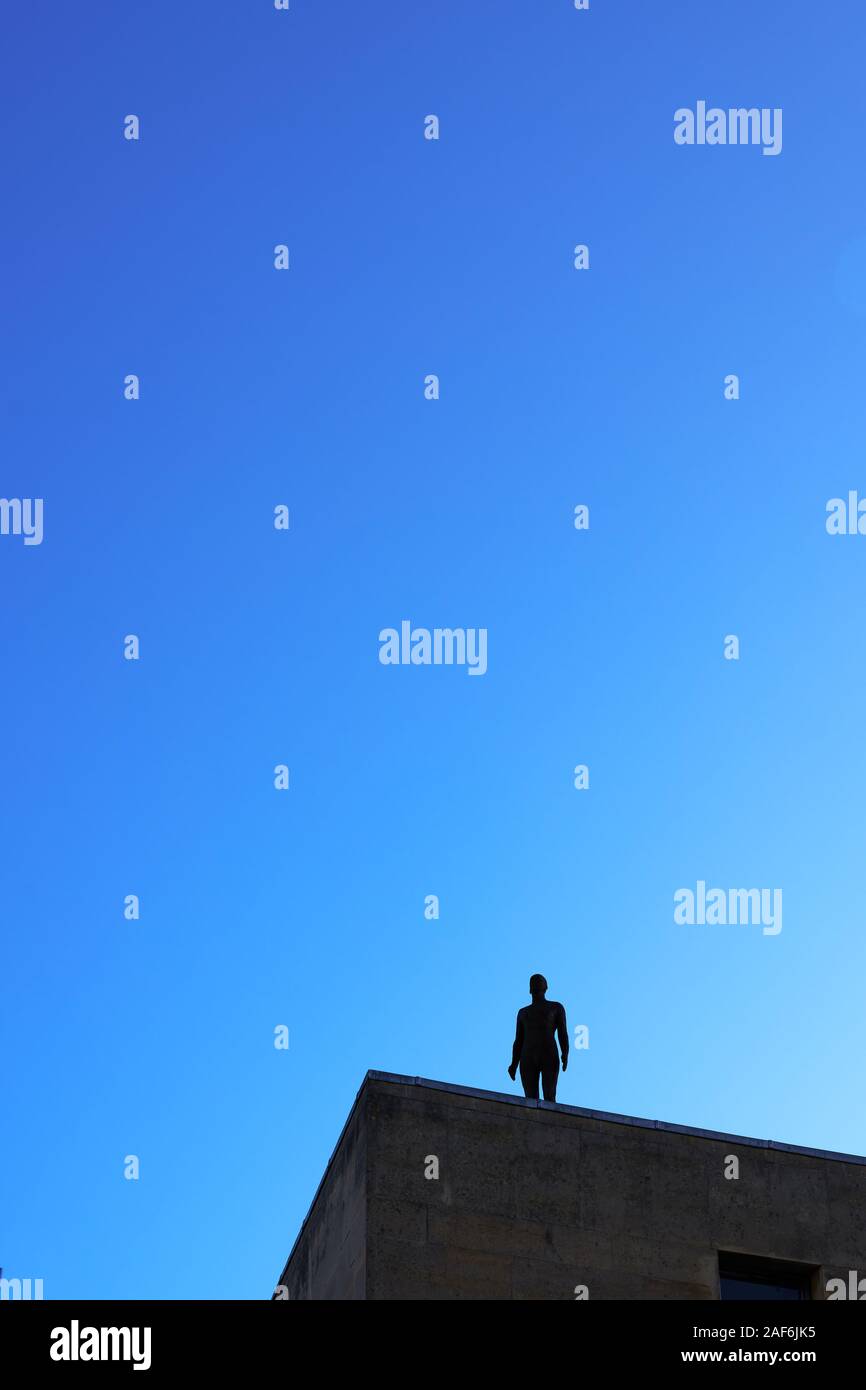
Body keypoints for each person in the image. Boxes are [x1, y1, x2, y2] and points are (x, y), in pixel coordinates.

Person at [508, 974, 568, 1102]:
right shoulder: (523, 1013)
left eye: (539, 982)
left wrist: (565, 1053)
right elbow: (518, 1040)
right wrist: (514, 1063)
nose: (536, 985)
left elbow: (563, 1033)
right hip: (528, 1056)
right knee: (530, 1099)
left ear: (546, 988)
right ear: (530, 989)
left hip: (548, 1054)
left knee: (550, 1096)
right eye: (534, 983)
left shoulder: (556, 1007)